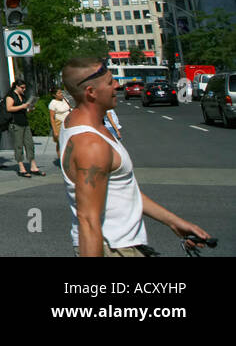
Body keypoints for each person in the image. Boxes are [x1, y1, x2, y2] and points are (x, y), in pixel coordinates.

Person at [59, 56, 211, 256]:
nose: (117, 85)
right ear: (91, 92)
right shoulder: (91, 145)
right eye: (110, 82)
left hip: (121, 245)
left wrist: (174, 223)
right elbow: (88, 221)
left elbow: (122, 191)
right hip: (113, 248)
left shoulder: (75, 122)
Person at [6, 79, 42, 176]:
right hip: (15, 123)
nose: (24, 89)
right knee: (19, 145)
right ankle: (21, 167)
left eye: (25, 87)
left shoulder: (22, 96)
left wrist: (29, 108)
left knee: (29, 144)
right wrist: (22, 106)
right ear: (16, 86)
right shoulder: (10, 96)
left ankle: (33, 166)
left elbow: (25, 108)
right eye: (22, 87)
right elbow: (9, 108)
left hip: (24, 122)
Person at [48, 87, 71, 168]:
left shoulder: (65, 100)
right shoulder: (53, 103)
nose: (61, 94)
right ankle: (61, 160)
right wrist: (55, 131)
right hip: (59, 123)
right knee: (60, 143)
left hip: (68, 123)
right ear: (54, 95)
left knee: (69, 142)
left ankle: (69, 160)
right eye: (59, 93)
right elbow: (52, 117)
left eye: (61, 92)